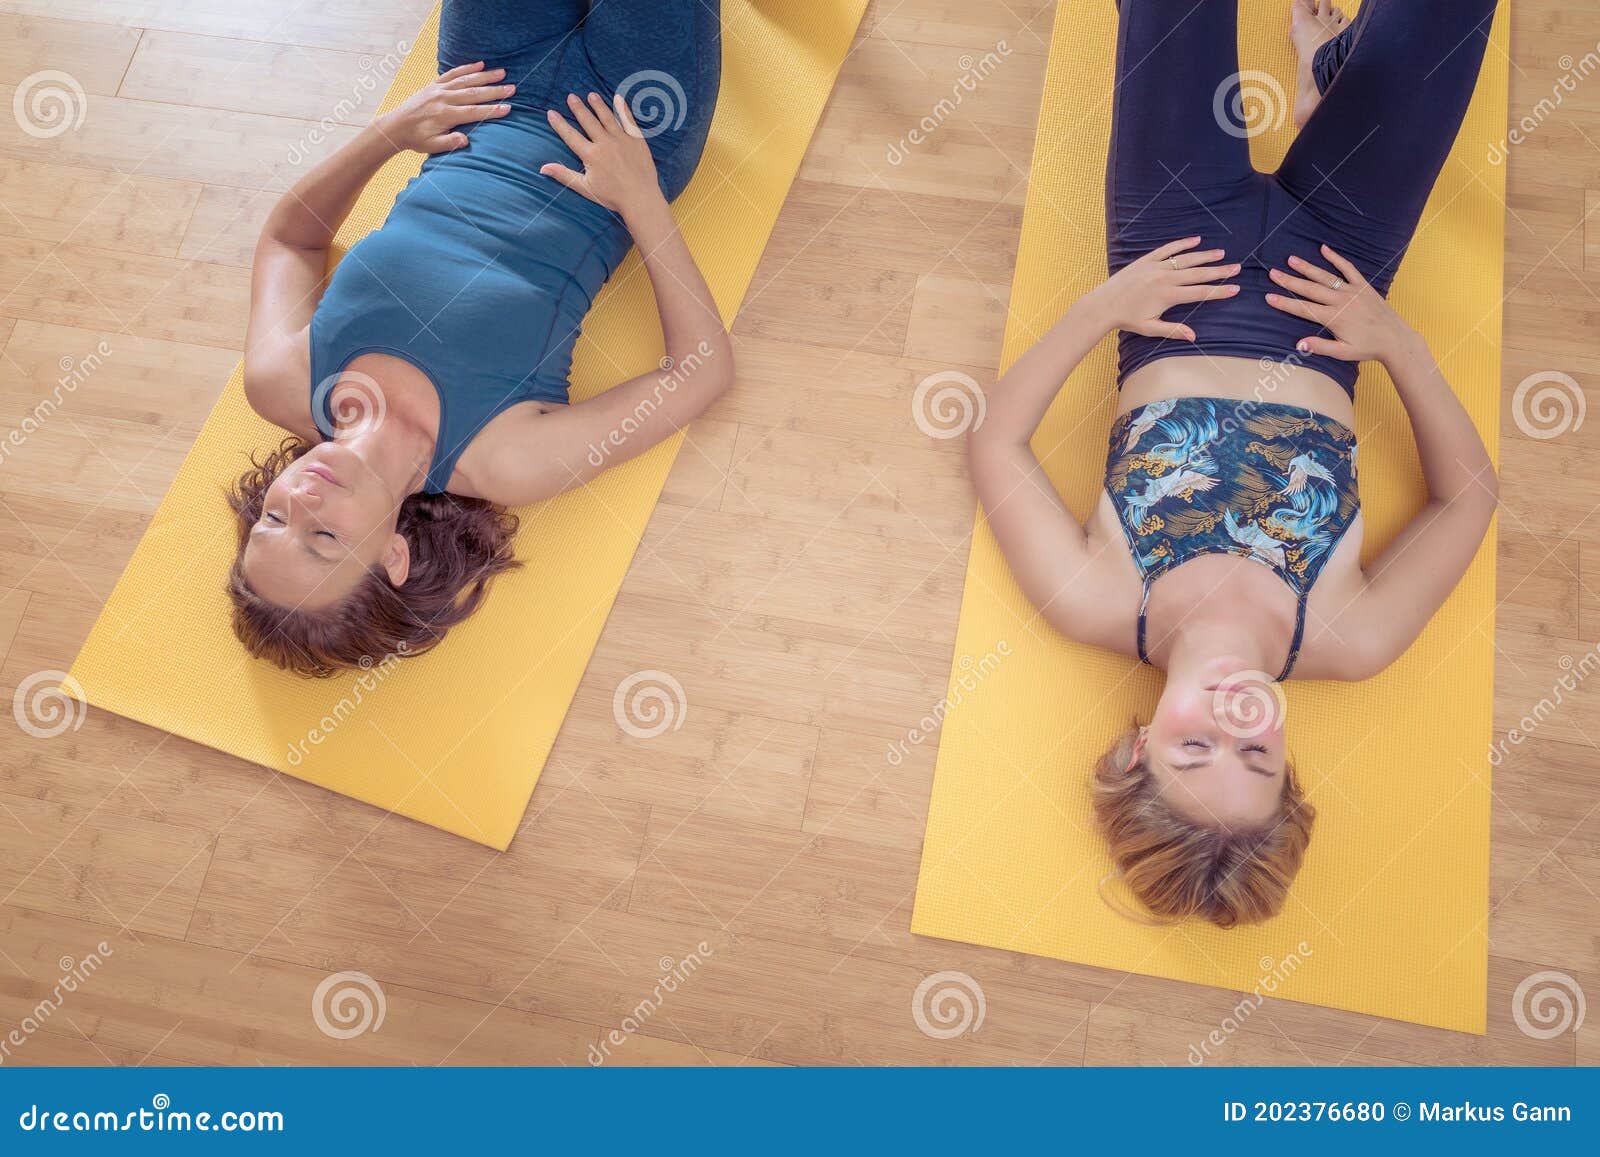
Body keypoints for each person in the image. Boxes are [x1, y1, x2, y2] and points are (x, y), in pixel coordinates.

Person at [968, 0, 1500, 926]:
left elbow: (995, 442)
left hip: (1174, 242)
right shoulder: (1347, 637)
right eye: (1254, 756)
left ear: (1137, 750)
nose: (1230, 719)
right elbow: (1469, 499)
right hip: (1343, 264)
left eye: (1193, 753)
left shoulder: (1097, 598)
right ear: (1286, 761)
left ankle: (1327, 81)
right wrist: (1395, 343)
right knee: (1442, 20)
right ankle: (1331, 78)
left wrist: (1106, 305)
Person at [233, 1, 727, 676]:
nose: (300, 499)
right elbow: (698, 375)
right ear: (393, 557)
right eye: (322, 537)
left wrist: (390, 131)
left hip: (484, 80)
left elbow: (292, 238)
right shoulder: (505, 458)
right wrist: (641, 195)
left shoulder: (282, 380)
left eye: (272, 520)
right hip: (628, 123)